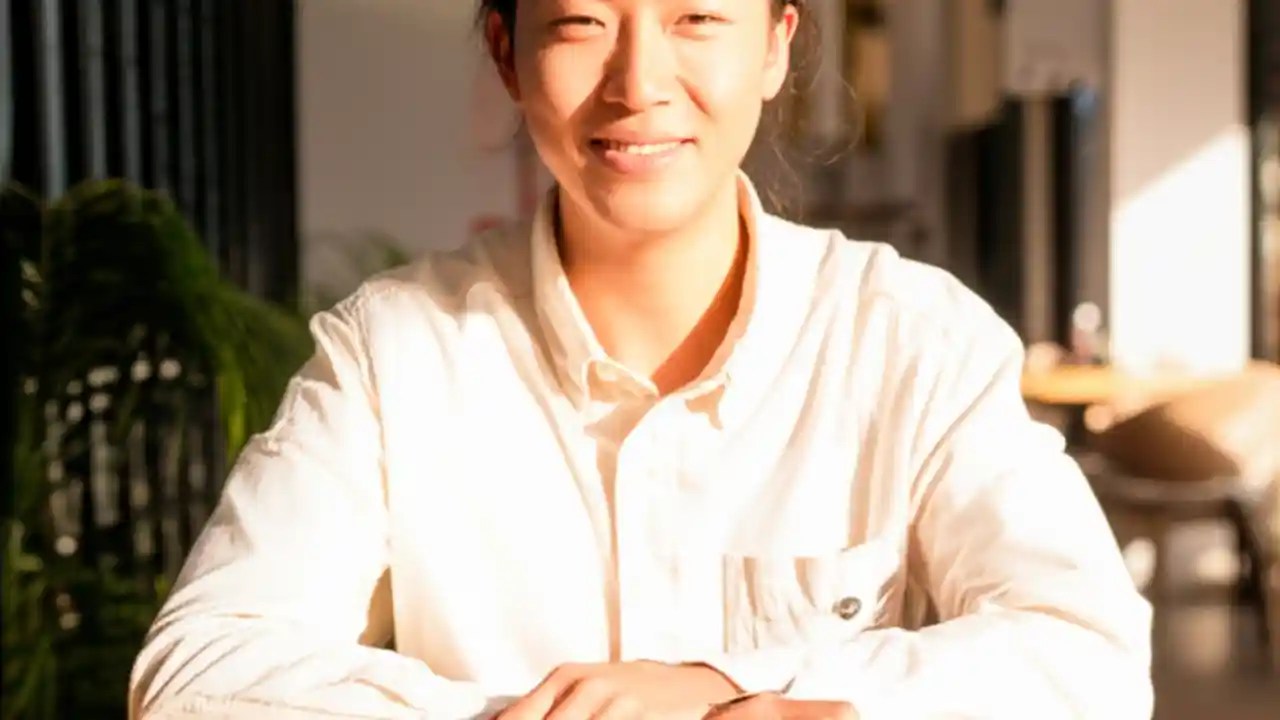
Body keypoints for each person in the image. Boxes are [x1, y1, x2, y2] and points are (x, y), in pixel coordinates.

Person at [129, 1, 1153, 718]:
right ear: (505, 51)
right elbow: (198, 672)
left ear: (773, 46)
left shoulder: (910, 337)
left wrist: (728, 687)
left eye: (696, 19)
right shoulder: (394, 349)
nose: (638, 84)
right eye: (580, 23)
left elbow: (1086, 657)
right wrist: (534, 717)